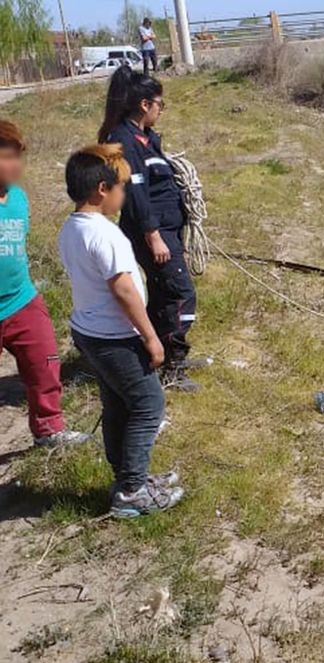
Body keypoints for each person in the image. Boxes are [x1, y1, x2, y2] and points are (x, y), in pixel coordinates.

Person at [59, 144, 183, 518]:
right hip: (116, 338)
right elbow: (124, 290)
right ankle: (131, 492)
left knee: (117, 405)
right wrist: (150, 336)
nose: (124, 194)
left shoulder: (71, 227)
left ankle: (129, 477)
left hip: (89, 331)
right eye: (121, 187)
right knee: (148, 406)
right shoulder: (104, 234)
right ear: (102, 189)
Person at [98, 66, 203, 392]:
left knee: (161, 293)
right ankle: (173, 365)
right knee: (179, 294)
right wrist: (153, 235)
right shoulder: (125, 140)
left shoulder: (146, 138)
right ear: (144, 104)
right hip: (154, 233)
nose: (162, 109)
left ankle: (165, 352)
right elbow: (137, 193)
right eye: (160, 103)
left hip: (168, 229)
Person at [0, 122, 89, 448]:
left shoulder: (19, 200)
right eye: (6, 157)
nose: (15, 166)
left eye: (17, 157)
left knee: (45, 364)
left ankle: (49, 430)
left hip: (21, 299)